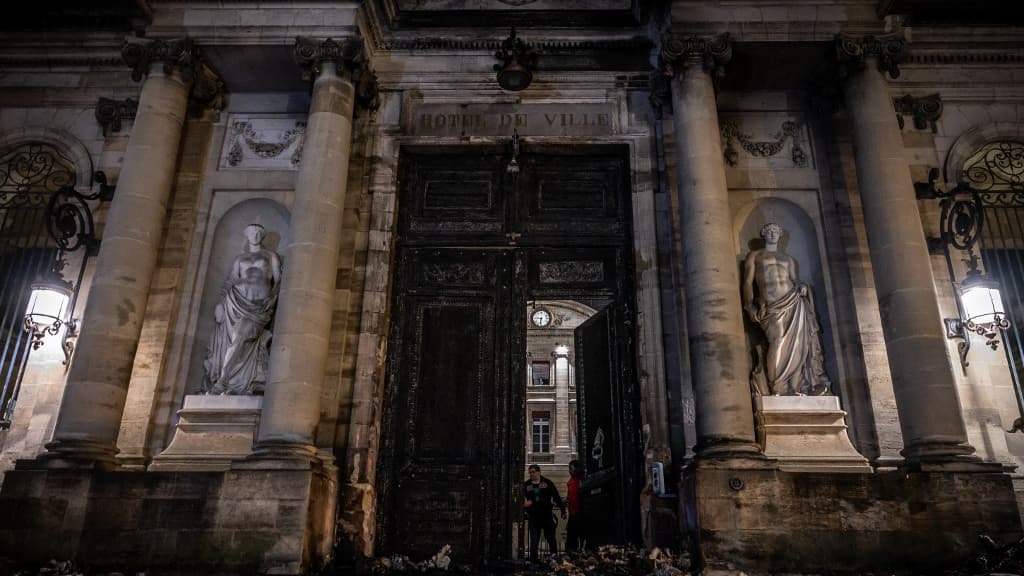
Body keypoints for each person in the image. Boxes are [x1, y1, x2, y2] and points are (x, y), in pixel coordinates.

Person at [742, 222, 830, 396]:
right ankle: (777, 386)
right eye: (770, 231)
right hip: (772, 305)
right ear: (764, 234)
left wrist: (802, 286)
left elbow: (794, 280)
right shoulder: (755, 255)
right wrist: (749, 304)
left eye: (776, 231)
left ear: (780, 235)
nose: (773, 234)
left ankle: (796, 387)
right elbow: (747, 283)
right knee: (777, 342)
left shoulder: (788, 259)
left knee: (799, 345)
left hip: (793, 300)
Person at [203, 223, 282, 395]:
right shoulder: (240, 259)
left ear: (262, 236)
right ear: (246, 235)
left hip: (258, 307)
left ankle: (223, 381)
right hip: (235, 301)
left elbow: (278, 281)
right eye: (251, 232)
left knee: (240, 336)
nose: (255, 235)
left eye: (258, 232)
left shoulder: (270, 256)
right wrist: (220, 305)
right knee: (234, 340)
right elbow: (230, 281)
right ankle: (228, 381)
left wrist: (272, 298)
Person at [523, 464, 565, 562]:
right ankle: (533, 560)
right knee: (534, 539)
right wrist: (525, 505)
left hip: (546, 516)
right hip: (534, 517)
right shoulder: (527, 485)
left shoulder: (547, 483)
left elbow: (556, 496)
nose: (531, 474)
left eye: (533, 472)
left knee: (551, 538)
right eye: (530, 472)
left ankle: (554, 557)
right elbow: (522, 498)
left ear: (539, 472)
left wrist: (562, 510)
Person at [564, 460, 583, 553]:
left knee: (572, 538)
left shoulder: (576, 481)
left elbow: (574, 498)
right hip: (574, 513)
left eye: (571, 469)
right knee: (573, 537)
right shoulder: (575, 481)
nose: (569, 471)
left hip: (576, 513)